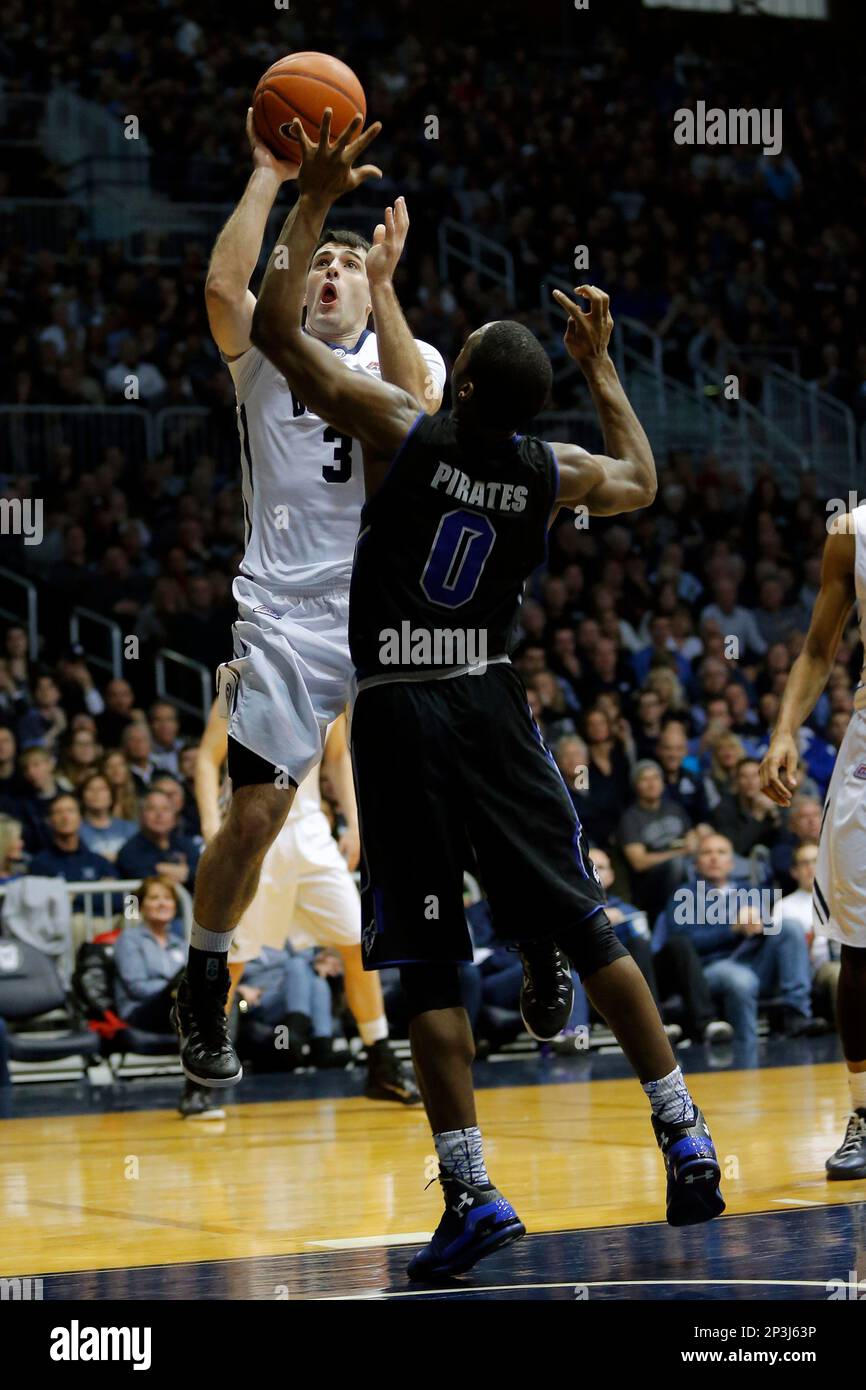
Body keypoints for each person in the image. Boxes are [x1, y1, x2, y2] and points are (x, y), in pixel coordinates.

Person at [249, 112, 725, 1278]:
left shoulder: (402, 430)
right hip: (492, 700)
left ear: (451, 380)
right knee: (581, 916)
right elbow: (644, 479)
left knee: (420, 963)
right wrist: (604, 364)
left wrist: (313, 205)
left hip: (404, 706)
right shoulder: (541, 467)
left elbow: (273, 330)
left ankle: (469, 1189)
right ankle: (680, 1122)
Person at [173, 106, 446, 1087]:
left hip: (390, 615)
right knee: (253, 816)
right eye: (318, 264)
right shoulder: (263, 357)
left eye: (346, 267)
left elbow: (421, 423)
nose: (329, 274)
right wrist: (270, 177)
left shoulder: (400, 359)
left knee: (454, 788)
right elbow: (221, 285)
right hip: (286, 616)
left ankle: (536, 940)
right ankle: (207, 971)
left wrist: (384, 286)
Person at [192, 699, 418, 1106]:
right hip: (254, 829)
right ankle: (200, 1076)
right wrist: (211, 824)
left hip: (312, 831)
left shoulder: (328, 681)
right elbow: (208, 759)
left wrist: (353, 821)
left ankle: (381, 1062)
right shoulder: (243, 677)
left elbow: (338, 758)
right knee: (234, 958)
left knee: (356, 942)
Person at [761, 506, 866, 1179]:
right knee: (859, 944)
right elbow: (818, 648)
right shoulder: (851, 529)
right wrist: (783, 730)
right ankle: (864, 1113)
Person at [664, 833, 825, 1046]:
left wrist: (759, 924)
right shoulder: (684, 894)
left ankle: (796, 1014)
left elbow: (769, 932)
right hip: (712, 967)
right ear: (696, 863)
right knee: (741, 980)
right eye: (707, 852)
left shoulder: (750, 890)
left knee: (790, 926)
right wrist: (732, 929)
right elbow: (682, 944)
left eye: (721, 852)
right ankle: (745, 1052)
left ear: (731, 863)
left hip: (754, 960)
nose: (714, 858)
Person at [772, 841, 840, 1023]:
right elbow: (784, 954)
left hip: (849, 957)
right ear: (794, 871)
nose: (811, 867)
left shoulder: (846, 898)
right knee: (839, 973)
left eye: (816, 861)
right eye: (805, 863)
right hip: (813, 968)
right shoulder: (783, 906)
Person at [116, 789, 200, 889]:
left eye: (165, 809)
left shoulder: (186, 844)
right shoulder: (130, 850)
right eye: (152, 808)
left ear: (175, 818)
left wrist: (162, 868)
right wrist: (181, 871)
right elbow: (146, 878)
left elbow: (201, 873)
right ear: (142, 815)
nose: (159, 814)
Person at [78, 772, 138, 863]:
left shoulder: (130, 829)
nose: (96, 793)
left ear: (111, 795)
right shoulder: (76, 831)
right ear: (82, 796)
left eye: (102, 789)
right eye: (90, 789)